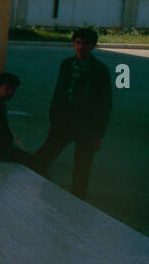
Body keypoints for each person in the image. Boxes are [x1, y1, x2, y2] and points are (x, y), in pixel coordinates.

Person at [32, 28, 112, 199]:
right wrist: (54, 117)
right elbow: (59, 91)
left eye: (85, 43)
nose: (81, 47)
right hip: (64, 121)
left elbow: (104, 104)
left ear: (93, 46)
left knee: (82, 168)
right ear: (73, 44)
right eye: (78, 43)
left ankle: (78, 200)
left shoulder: (100, 70)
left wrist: (98, 133)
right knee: (43, 157)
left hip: (87, 126)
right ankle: (35, 186)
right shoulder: (67, 64)